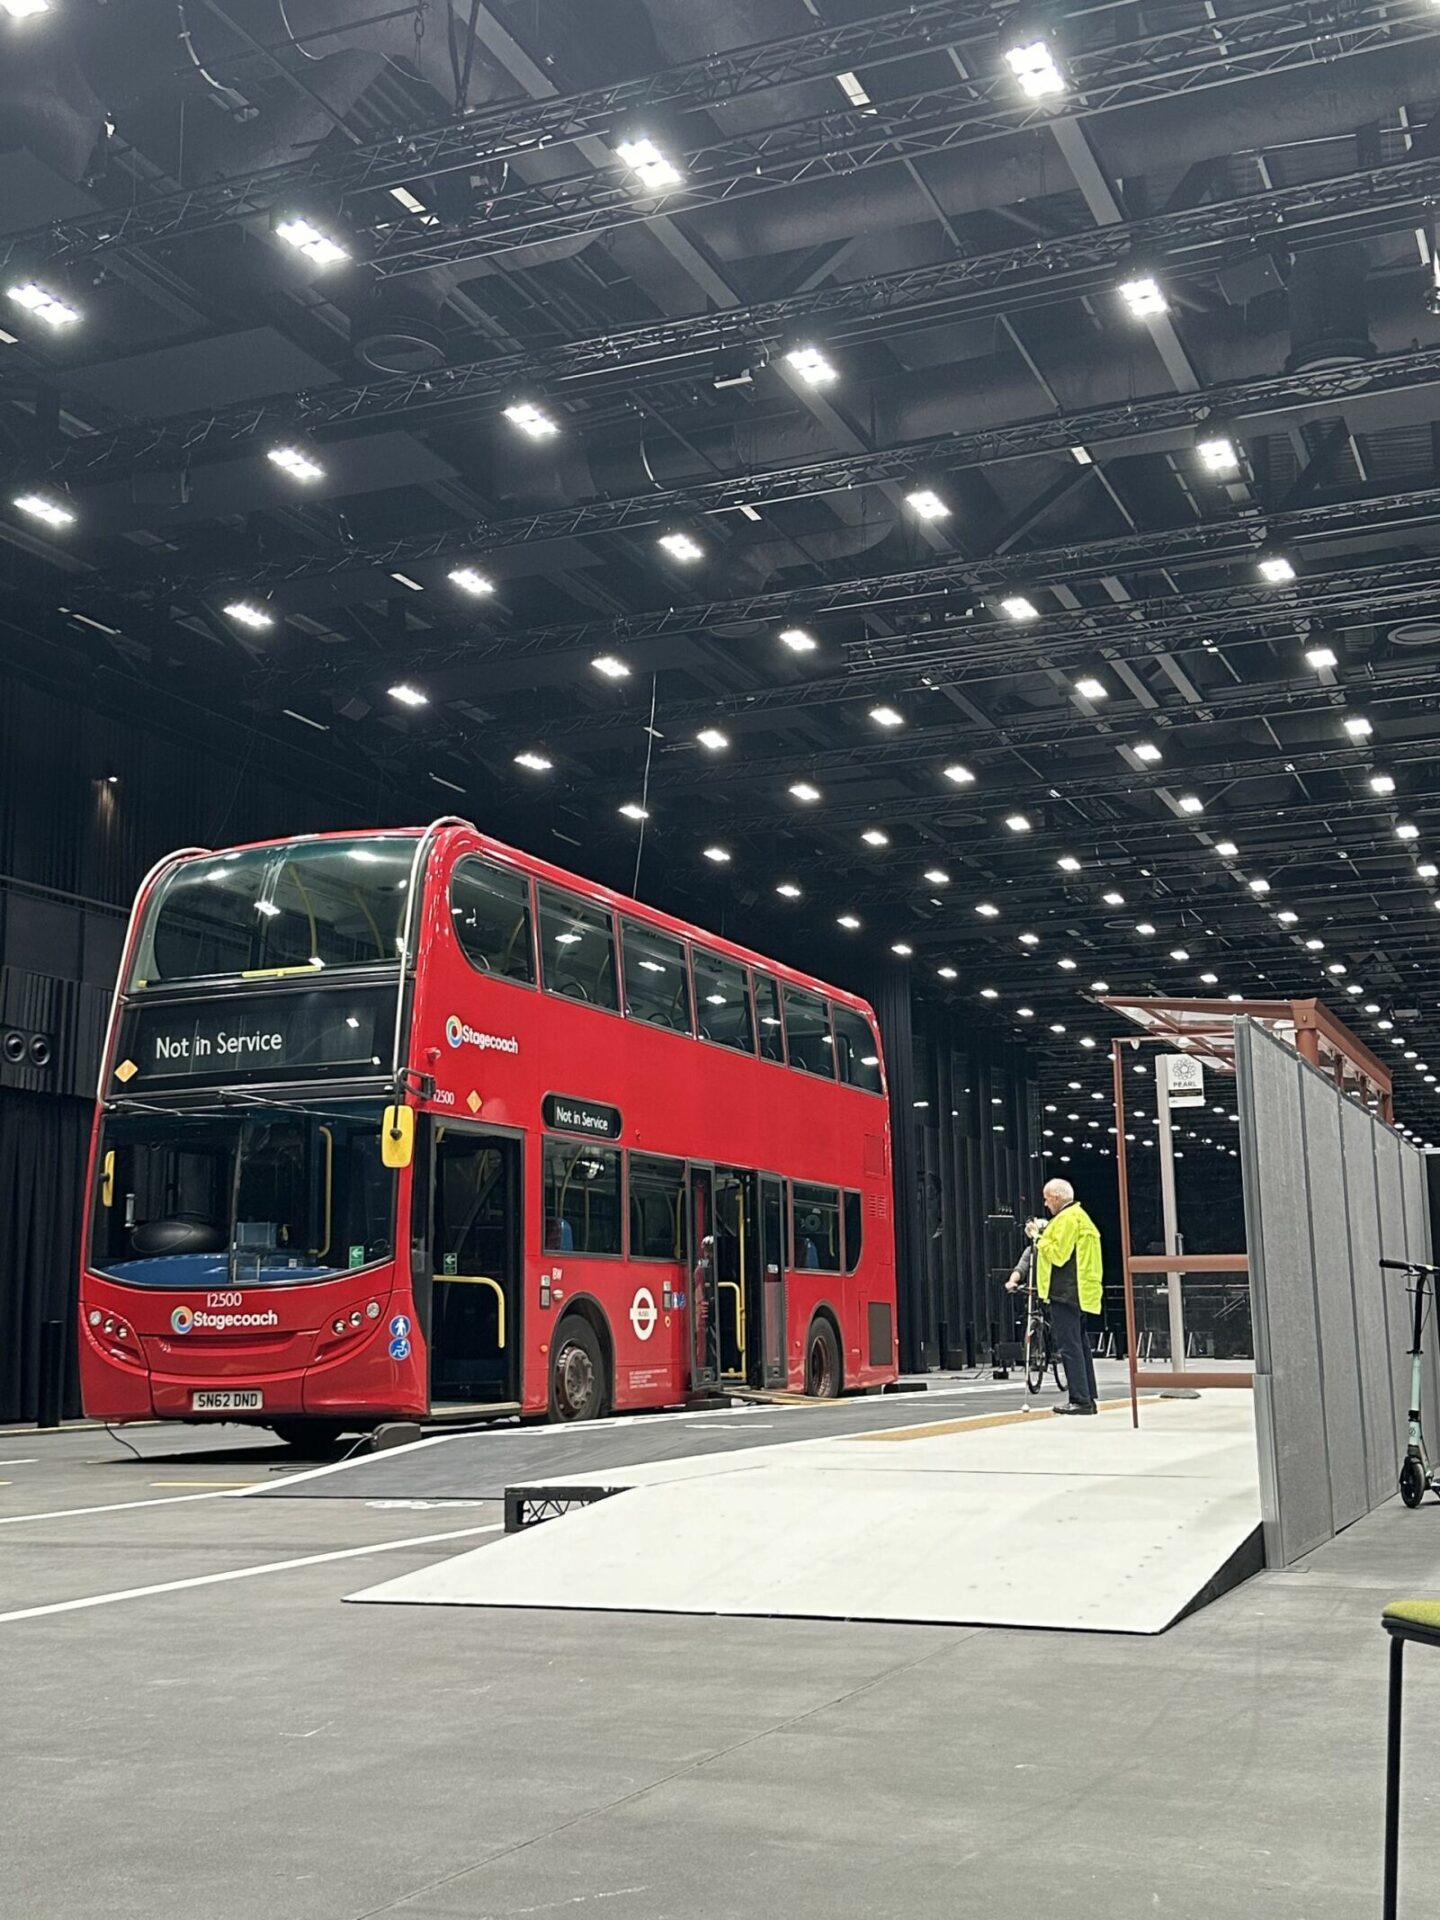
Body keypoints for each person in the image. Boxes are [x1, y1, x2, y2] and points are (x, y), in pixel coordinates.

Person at [1028, 1176, 1103, 1415]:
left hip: (1065, 1291)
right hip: (1082, 1291)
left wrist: (1037, 1238)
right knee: (1080, 1345)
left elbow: (1058, 1254)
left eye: (1047, 1199)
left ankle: (1080, 1399)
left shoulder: (1066, 1219)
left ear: (1057, 1198)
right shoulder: (1081, 1217)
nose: (1046, 1204)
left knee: (1070, 1346)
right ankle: (1088, 1396)